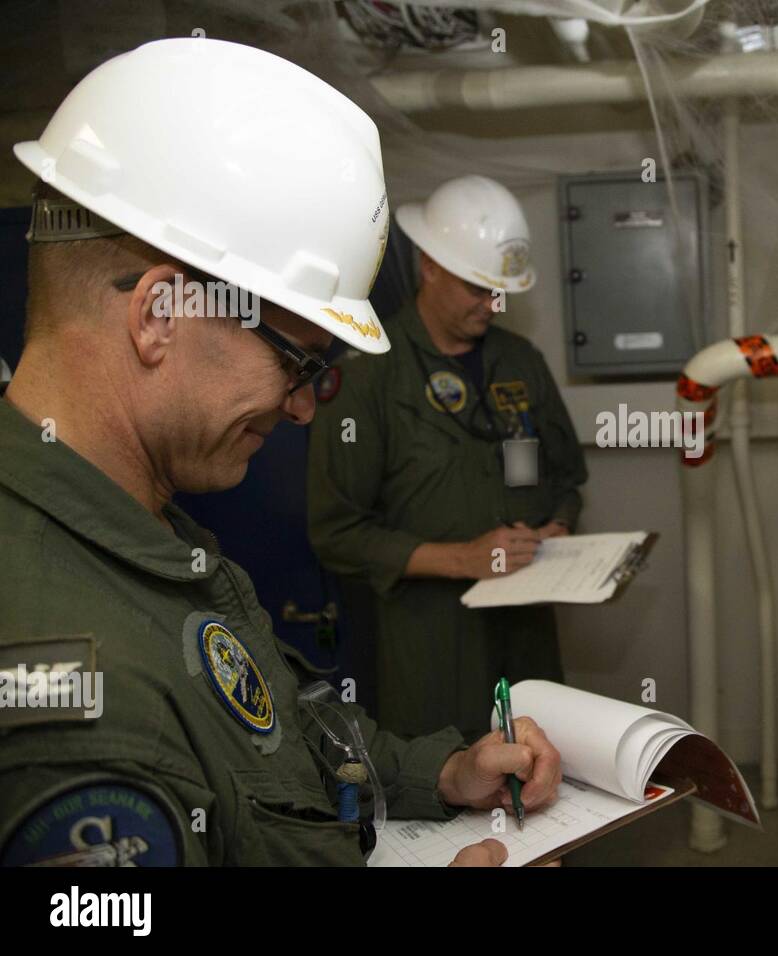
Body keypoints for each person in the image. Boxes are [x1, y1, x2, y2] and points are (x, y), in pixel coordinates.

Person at [0, 37, 559, 867]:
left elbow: (275, 735)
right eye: (297, 363)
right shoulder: (81, 698)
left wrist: (438, 772)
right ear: (161, 316)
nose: (302, 408)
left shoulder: (138, 531)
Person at [307, 176, 588, 740]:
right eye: (477, 288)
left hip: (526, 629)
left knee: (545, 773)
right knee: (448, 789)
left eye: (501, 292)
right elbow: (337, 533)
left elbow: (566, 477)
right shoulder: (369, 373)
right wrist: (463, 558)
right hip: (432, 642)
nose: (493, 305)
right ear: (429, 265)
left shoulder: (520, 360)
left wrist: (556, 524)